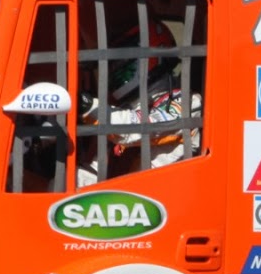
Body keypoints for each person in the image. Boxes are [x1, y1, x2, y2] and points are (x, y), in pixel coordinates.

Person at [77, 19, 201, 186]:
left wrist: (86, 105)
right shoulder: (124, 109)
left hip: (163, 204)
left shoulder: (188, 102)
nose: (115, 67)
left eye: (121, 60)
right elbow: (92, 173)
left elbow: (136, 127)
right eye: (113, 63)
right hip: (122, 204)